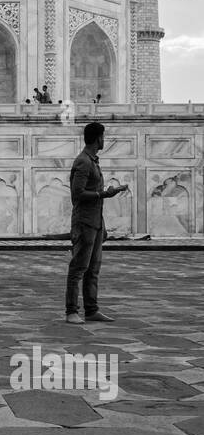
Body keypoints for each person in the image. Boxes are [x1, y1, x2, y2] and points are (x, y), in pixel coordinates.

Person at [65, 121, 129, 323]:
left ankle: (91, 310)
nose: (104, 140)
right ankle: (71, 311)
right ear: (97, 138)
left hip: (95, 222)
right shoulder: (83, 162)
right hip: (84, 222)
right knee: (79, 268)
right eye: (103, 136)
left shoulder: (92, 161)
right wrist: (103, 194)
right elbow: (77, 194)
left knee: (93, 269)